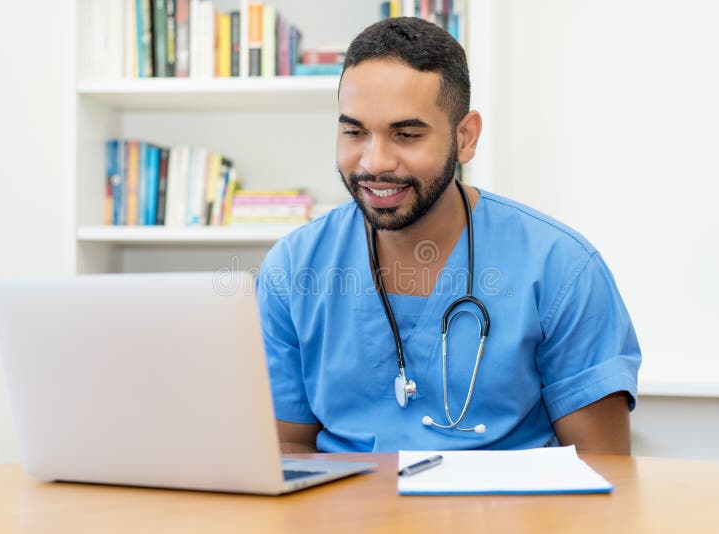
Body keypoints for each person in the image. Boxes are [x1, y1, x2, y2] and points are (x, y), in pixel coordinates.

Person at [256, 17, 641, 454]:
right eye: (354, 131)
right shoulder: (293, 269)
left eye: (406, 134)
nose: (375, 161)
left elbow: (602, 472)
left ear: (465, 137)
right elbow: (287, 456)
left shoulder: (562, 268)